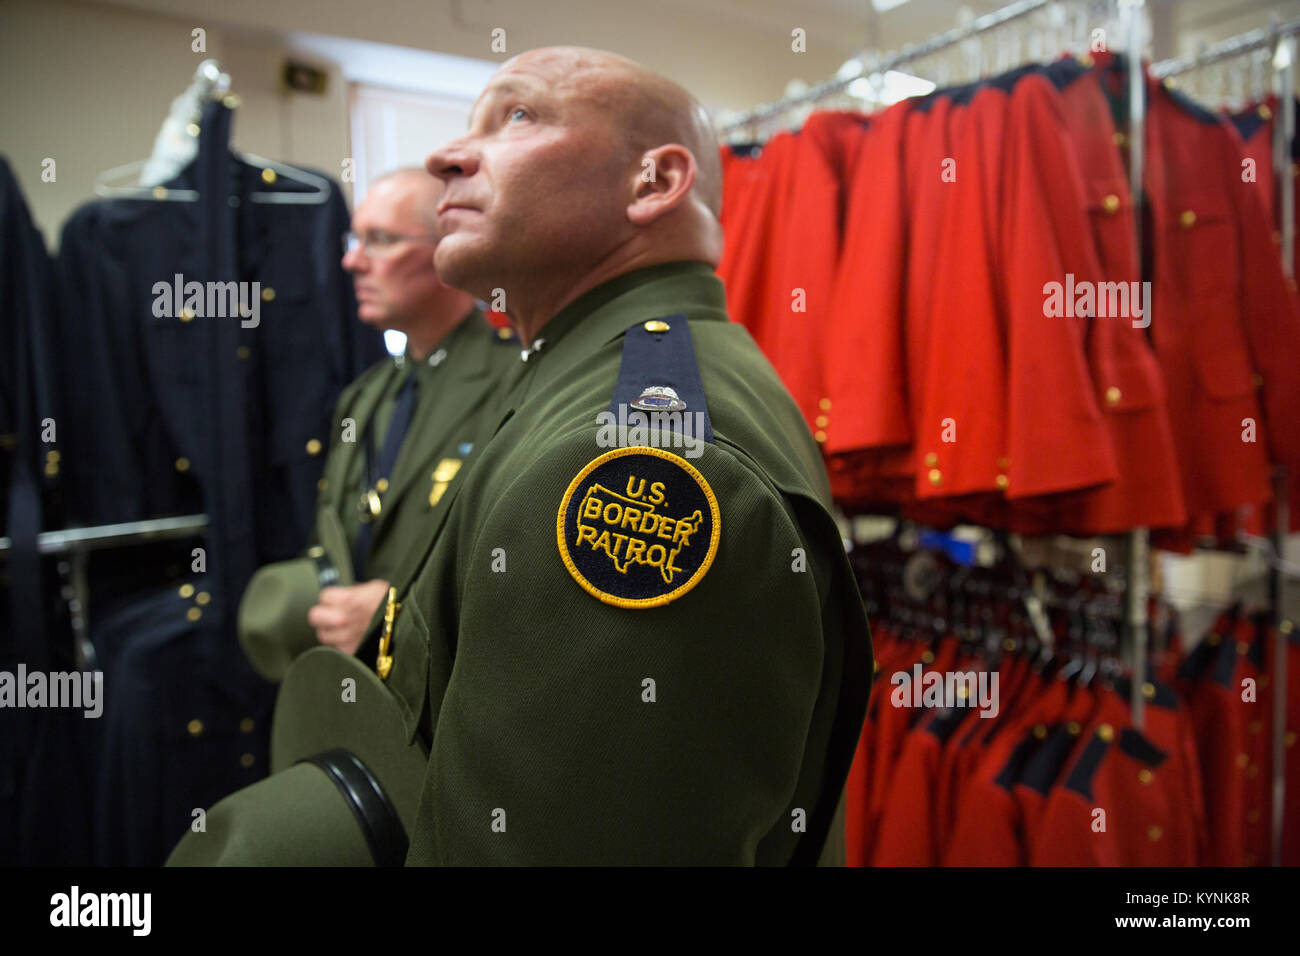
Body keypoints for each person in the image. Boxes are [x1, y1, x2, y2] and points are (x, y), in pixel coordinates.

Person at [169, 47, 872, 867]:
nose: (445, 158)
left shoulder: (629, 452)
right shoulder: (583, 375)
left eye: (519, 115)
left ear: (654, 182)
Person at [236, 168, 517, 681]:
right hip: (366, 694)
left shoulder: (516, 382)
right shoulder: (365, 397)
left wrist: (407, 613)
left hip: (454, 691)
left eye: (380, 240)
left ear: (448, 250)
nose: (351, 261)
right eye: (354, 239)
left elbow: (525, 565)